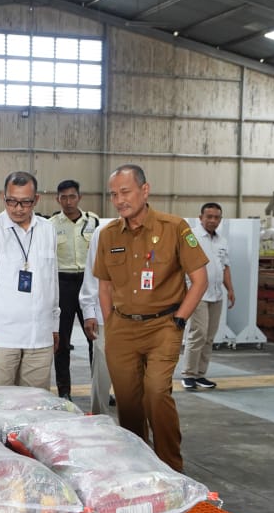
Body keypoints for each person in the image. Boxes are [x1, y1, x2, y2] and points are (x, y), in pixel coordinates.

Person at [93, 164, 208, 472]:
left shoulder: (174, 228)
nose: (119, 200)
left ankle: (171, 466)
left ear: (145, 190)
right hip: (122, 329)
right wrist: (111, 325)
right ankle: (138, 466)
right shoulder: (107, 235)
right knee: (128, 404)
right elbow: (104, 287)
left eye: (125, 192)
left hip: (163, 326)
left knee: (156, 393)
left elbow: (200, 280)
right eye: (114, 194)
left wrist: (180, 320)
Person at [0, 172, 59, 388]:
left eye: (25, 202)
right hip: (2, 340)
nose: (18, 208)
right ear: (4, 198)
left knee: (35, 409)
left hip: (39, 338)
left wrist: (54, 325)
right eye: (11, 201)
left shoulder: (47, 230)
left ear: (36, 200)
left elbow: (52, 283)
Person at [50, 179, 101, 399]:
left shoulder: (93, 222)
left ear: (79, 197)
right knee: (62, 341)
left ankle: (99, 389)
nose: (68, 201)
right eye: (63, 197)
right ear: (57, 199)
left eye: (72, 196)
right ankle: (64, 391)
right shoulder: (51, 224)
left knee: (96, 339)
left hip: (88, 283)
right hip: (62, 284)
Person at [181, 202, 235, 390]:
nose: (213, 220)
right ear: (200, 218)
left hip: (216, 294)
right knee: (199, 333)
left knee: (210, 336)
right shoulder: (191, 237)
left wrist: (231, 290)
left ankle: (200, 374)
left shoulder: (222, 241)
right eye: (209, 217)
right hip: (197, 295)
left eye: (216, 217)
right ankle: (188, 374)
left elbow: (225, 267)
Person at [81, 225, 114, 415]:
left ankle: (136, 428)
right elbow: (91, 274)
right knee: (102, 373)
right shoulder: (103, 232)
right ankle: (98, 416)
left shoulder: (157, 231)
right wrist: (89, 311)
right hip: (105, 315)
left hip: (141, 318)